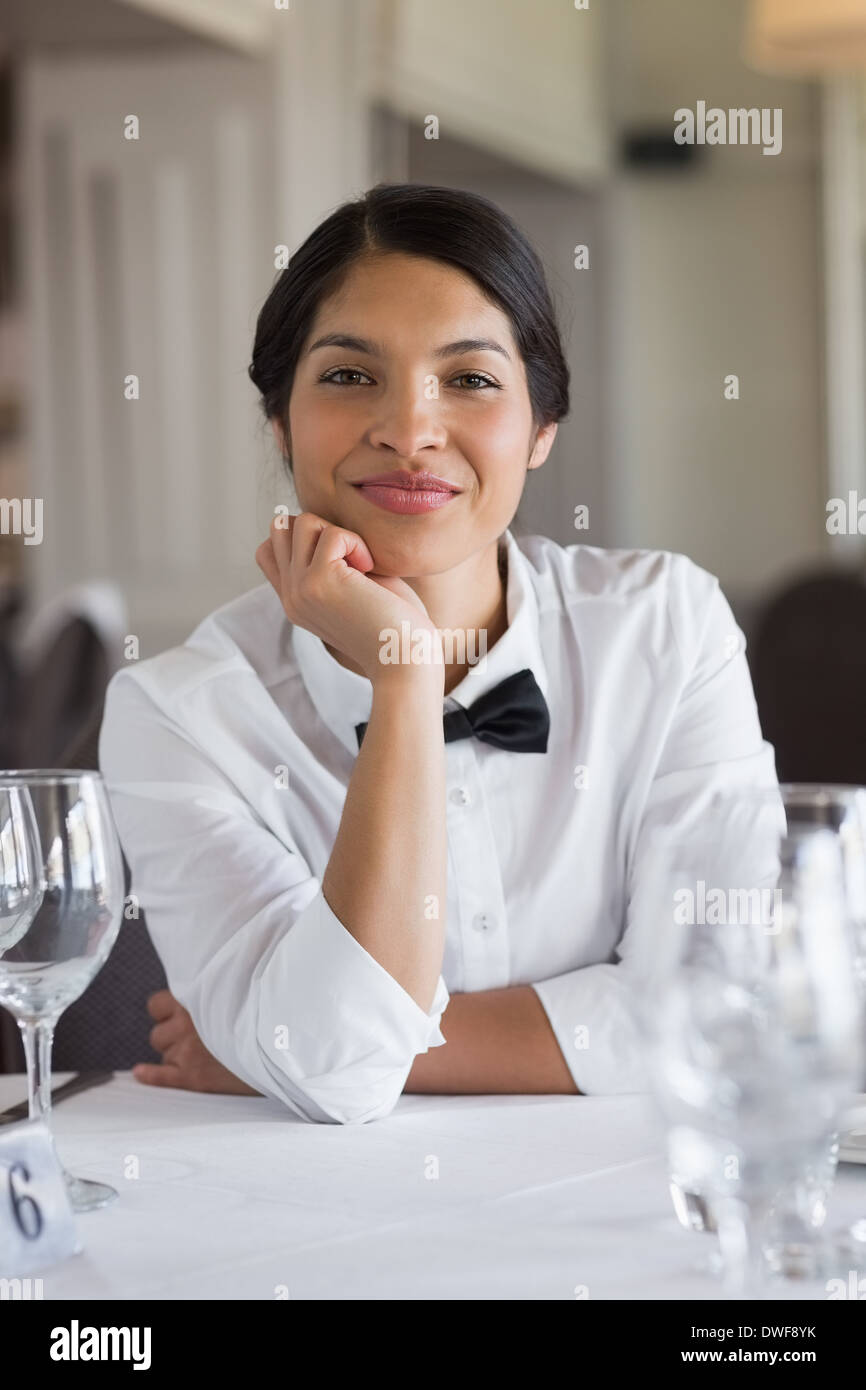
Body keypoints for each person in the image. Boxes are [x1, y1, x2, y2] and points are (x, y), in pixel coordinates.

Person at [98, 183, 778, 1124]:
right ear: (278, 423)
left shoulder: (668, 627)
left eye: (470, 379)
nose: (410, 430)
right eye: (348, 376)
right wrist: (405, 676)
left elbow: (723, 1001)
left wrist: (281, 1041)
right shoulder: (179, 714)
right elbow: (335, 1079)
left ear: (542, 428)